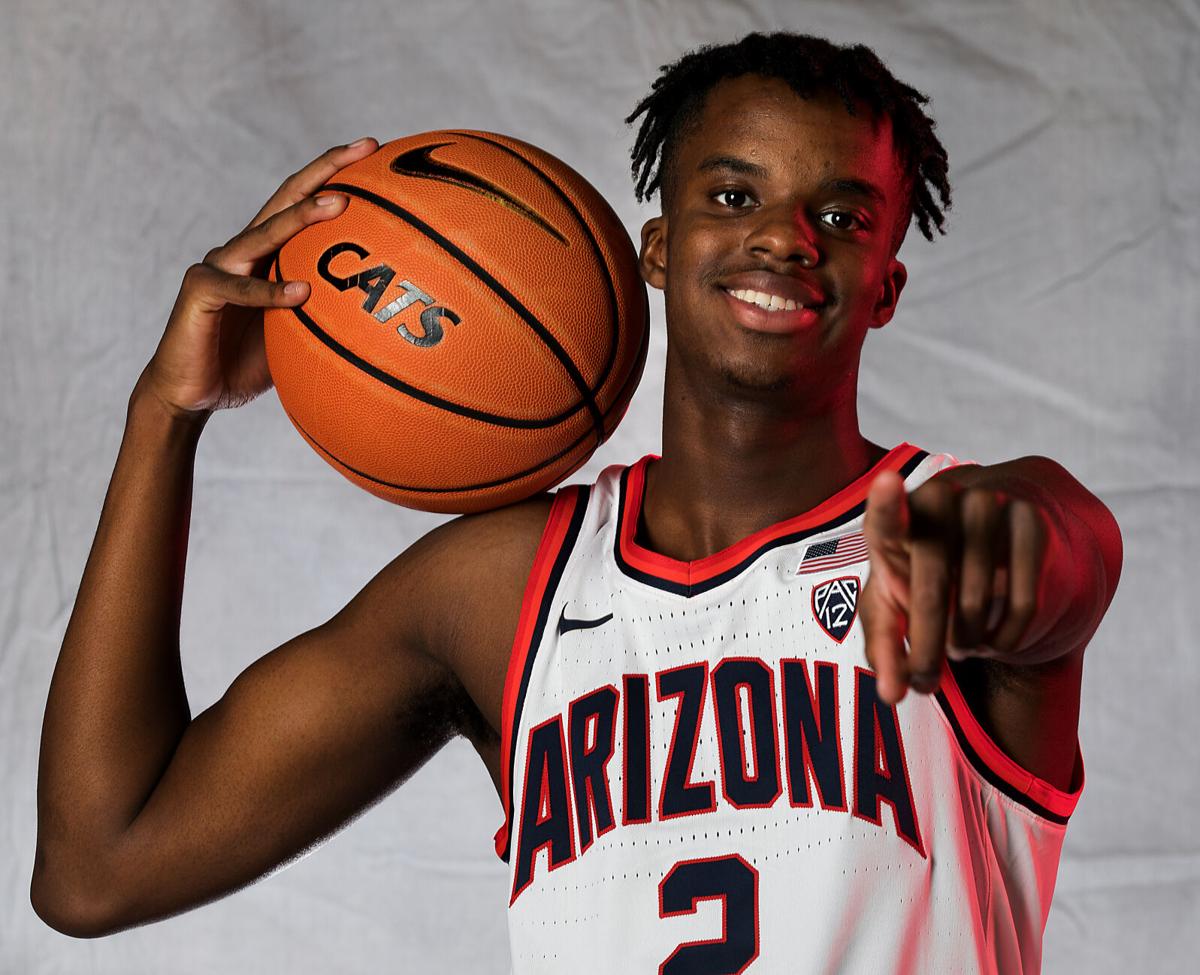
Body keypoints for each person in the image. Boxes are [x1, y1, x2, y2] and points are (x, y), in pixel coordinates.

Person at [31, 31, 1121, 974]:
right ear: (658, 248)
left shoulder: (951, 521)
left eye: (839, 215)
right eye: (732, 196)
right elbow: (98, 865)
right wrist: (163, 416)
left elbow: (1059, 551)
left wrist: (1002, 552)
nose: (784, 237)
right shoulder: (499, 589)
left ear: (887, 283)